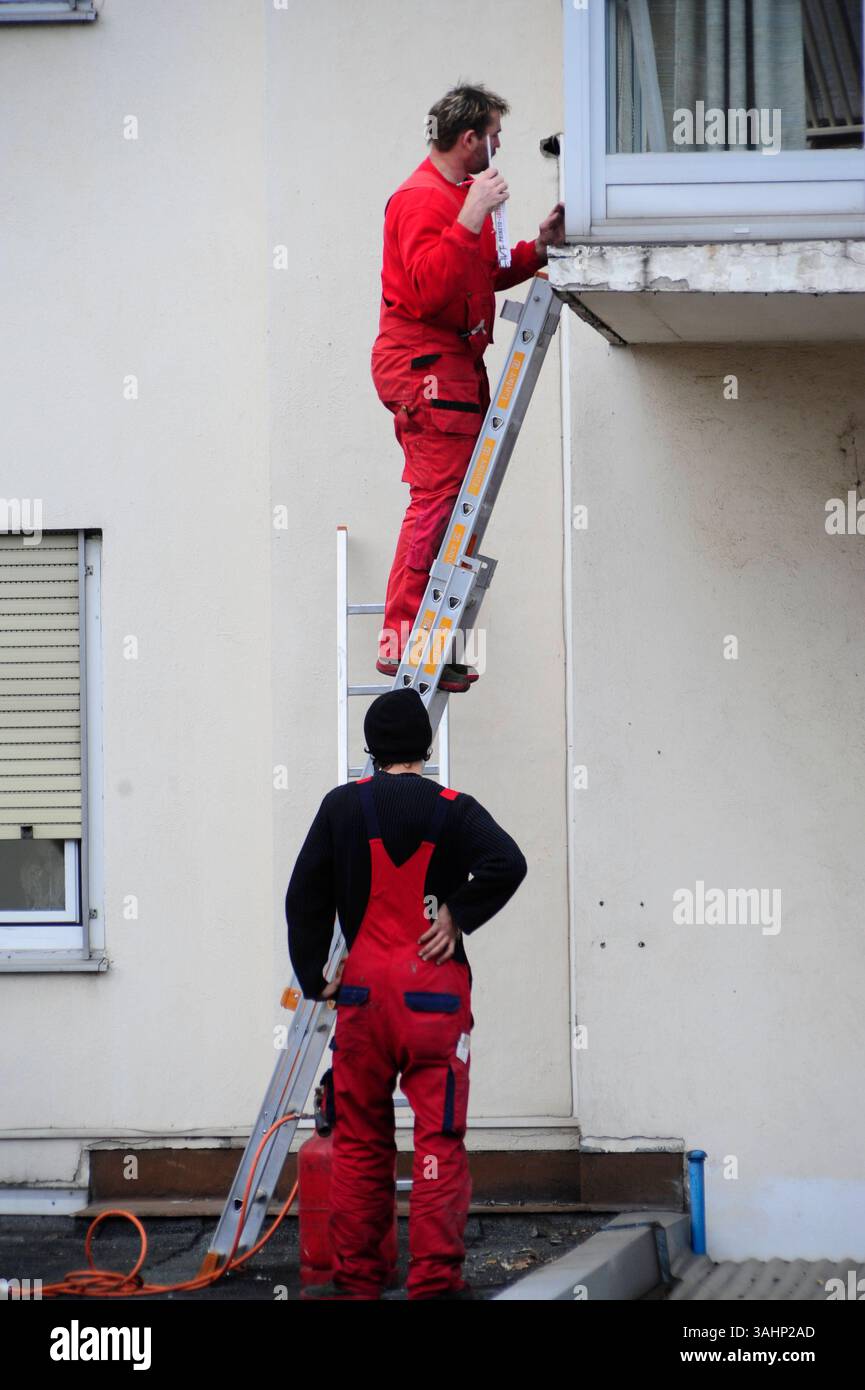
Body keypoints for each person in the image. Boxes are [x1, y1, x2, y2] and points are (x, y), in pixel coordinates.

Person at [285, 688, 527, 1299]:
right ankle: (435, 1285)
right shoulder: (454, 807)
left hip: (364, 1002)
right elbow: (509, 861)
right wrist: (456, 914)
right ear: (426, 747)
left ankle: (360, 1281)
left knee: (362, 1144)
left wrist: (315, 976)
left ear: (370, 750)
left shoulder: (342, 807)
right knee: (438, 1142)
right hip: (435, 1000)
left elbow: (303, 897)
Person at [371, 83, 565, 693]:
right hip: (425, 364)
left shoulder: (456, 198)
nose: (500, 145)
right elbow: (429, 290)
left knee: (457, 505)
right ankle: (401, 639)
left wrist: (540, 248)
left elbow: (480, 274)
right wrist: (471, 215)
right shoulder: (419, 200)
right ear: (469, 139)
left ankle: (433, 644)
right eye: (494, 134)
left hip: (451, 363)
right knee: (437, 502)